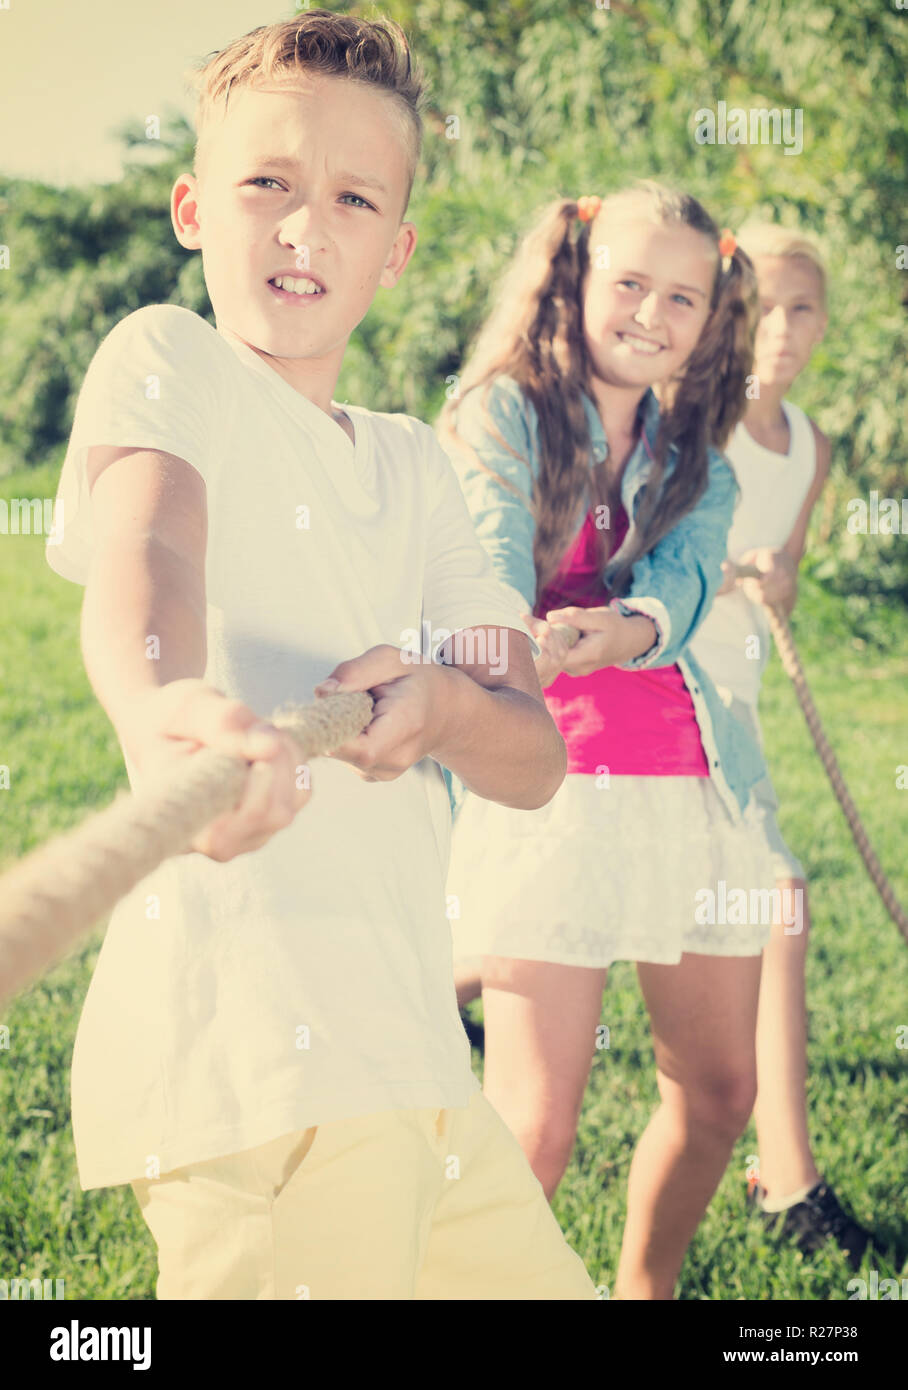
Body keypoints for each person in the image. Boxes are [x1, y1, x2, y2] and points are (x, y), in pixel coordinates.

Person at [44, 12, 598, 1301]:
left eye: (353, 198)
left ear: (395, 249)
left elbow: (530, 753)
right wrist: (161, 702)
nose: (307, 226)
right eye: (267, 186)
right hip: (261, 1071)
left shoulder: (412, 464)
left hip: (415, 1065)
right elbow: (151, 547)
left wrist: (447, 706)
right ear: (192, 208)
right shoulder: (170, 361)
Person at [437, 182, 778, 1301]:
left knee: (723, 1091)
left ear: (707, 318)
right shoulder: (505, 414)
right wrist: (520, 632)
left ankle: (646, 1291)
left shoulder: (701, 463)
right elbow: (487, 547)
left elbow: (676, 594)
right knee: (532, 1125)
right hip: (553, 788)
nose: (651, 312)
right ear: (574, 277)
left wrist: (618, 627)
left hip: (687, 788)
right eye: (628, 283)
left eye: (681, 296)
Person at [689, 223, 871, 1267]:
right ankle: (786, 1180)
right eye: (760, 304)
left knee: (762, 910)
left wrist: (770, 576)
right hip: (655, 689)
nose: (781, 329)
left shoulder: (806, 446)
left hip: (736, 704)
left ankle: (782, 1172)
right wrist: (718, 570)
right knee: (776, 901)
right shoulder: (681, 419)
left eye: (803, 307)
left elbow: (788, 576)